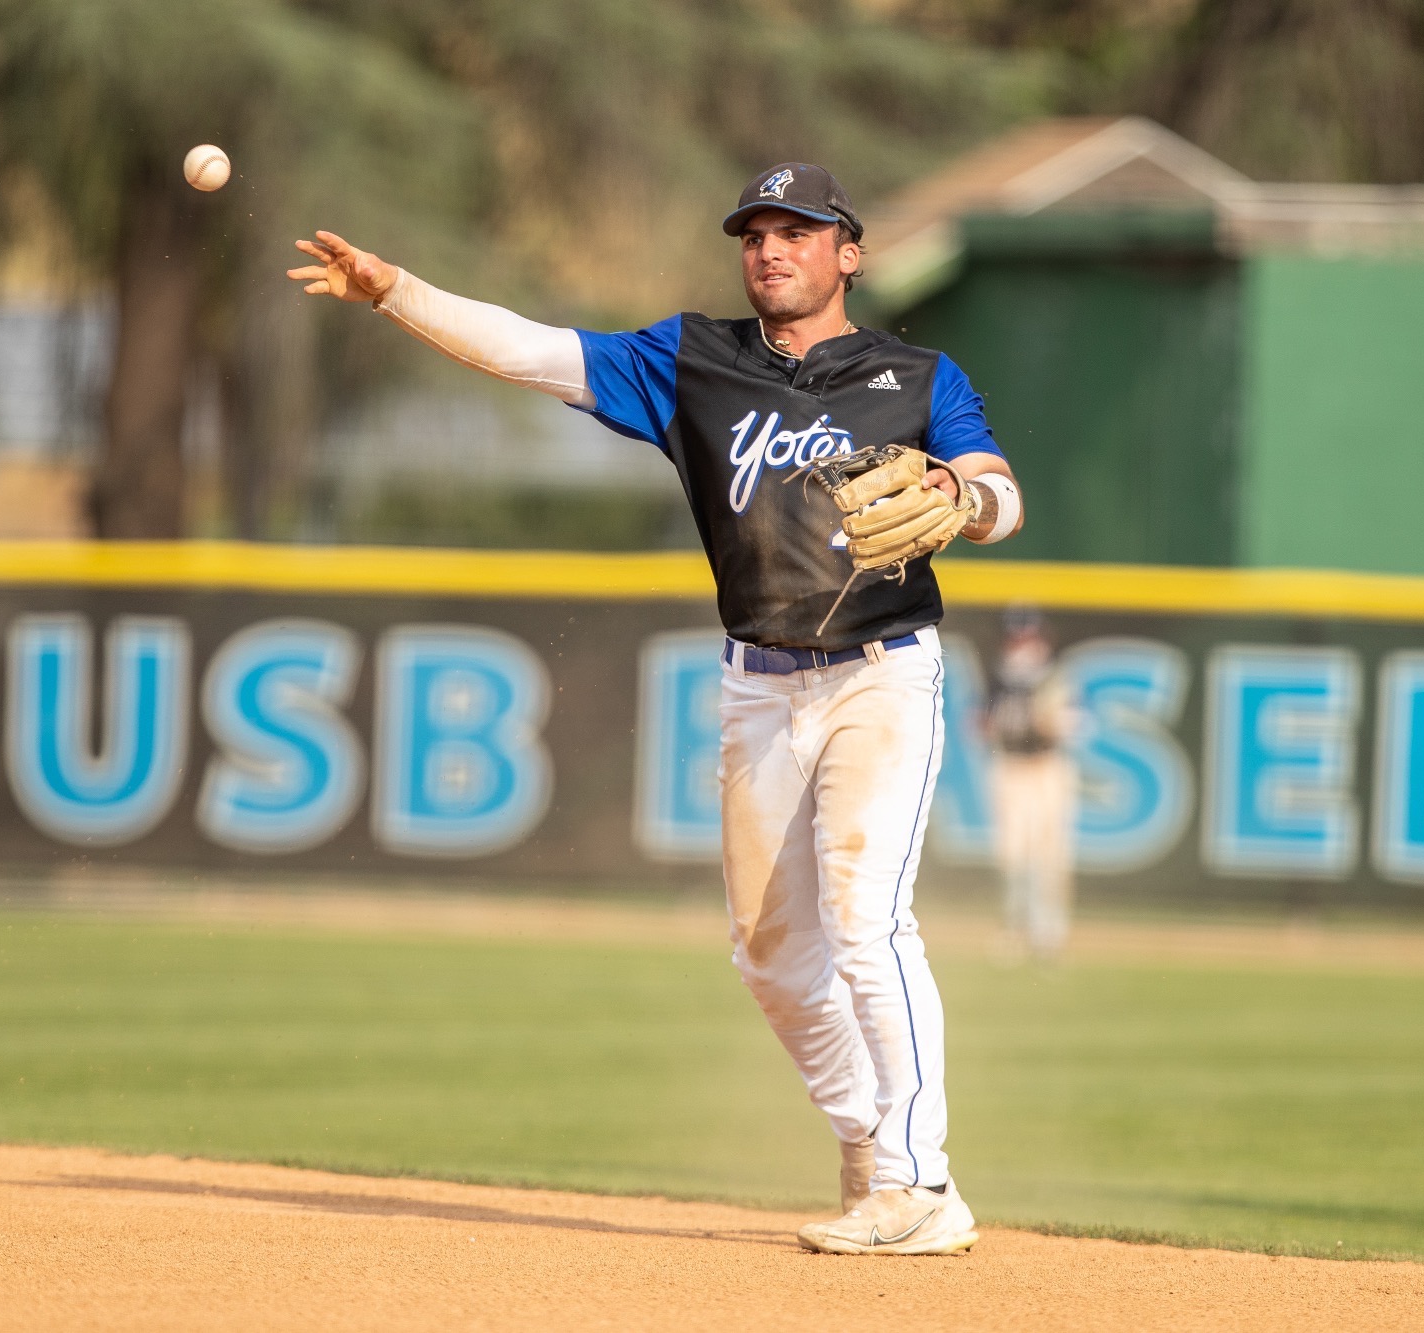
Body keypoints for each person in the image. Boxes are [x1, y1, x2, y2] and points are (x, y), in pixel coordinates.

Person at [287, 162, 1025, 1257]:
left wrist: (963, 500)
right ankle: (869, 1139)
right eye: (753, 232)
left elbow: (999, 491)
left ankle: (920, 1182)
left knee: (868, 923)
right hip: (757, 683)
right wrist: (397, 289)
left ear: (847, 252)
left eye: (796, 230)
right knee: (770, 958)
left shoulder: (914, 374)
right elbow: (532, 350)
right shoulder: (693, 360)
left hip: (881, 669)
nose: (769, 248)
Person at [984, 606, 1077, 960]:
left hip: (1047, 766)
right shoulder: (999, 674)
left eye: (1027, 635)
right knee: (1011, 854)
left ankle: (1049, 935)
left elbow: (1072, 722)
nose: (1021, 643)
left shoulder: (1055, 675)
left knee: (1050, 854)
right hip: (1010, 767)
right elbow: (983, 722)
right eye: (1016, 635)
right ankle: (1013, 930)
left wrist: (1051, 718)